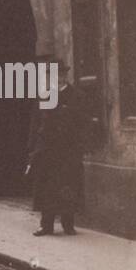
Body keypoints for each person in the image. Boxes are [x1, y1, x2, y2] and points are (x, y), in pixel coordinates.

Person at [26, 64, 86, 235]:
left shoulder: (77, 96)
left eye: (61, 75)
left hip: (68, 151)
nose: (58, 79)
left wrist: (78, 146)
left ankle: (68, 224)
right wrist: (32, 147)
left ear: (66, 76)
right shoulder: (44, 96)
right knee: (47, 188)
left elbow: (82, 123)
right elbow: (35, 123)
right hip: (47, 150)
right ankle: (46, 225)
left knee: (68, 187)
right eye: (53, 75)